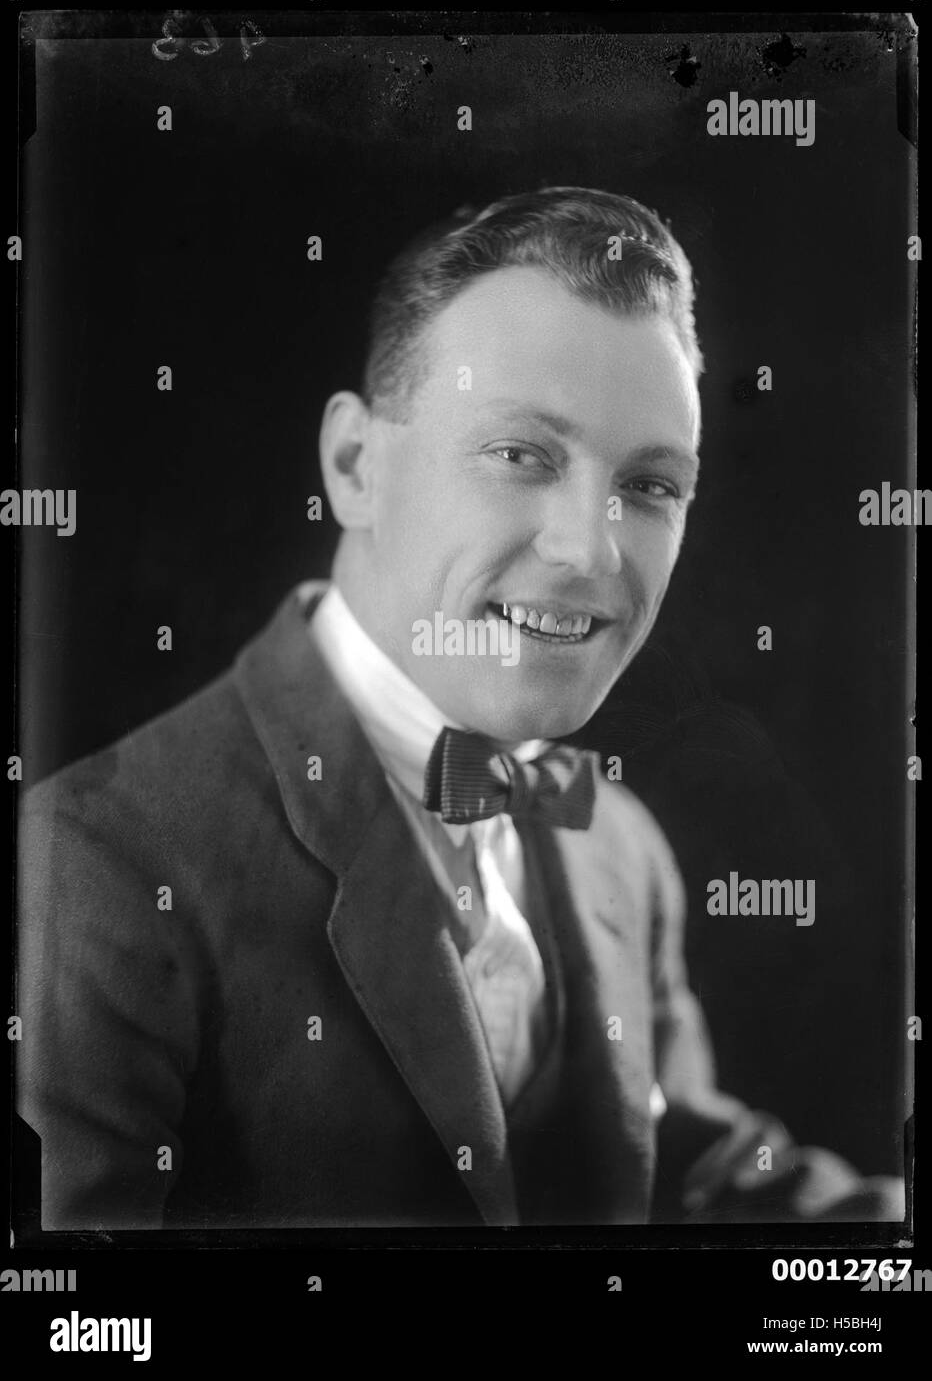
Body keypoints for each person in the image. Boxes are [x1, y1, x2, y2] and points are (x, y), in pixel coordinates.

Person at [16, 186, 904, 1229]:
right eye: (520, 454)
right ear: (354, 466)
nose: (590, 549)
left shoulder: (618, 843)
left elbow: (682, 1170)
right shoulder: (91, 871)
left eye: (651, 483)